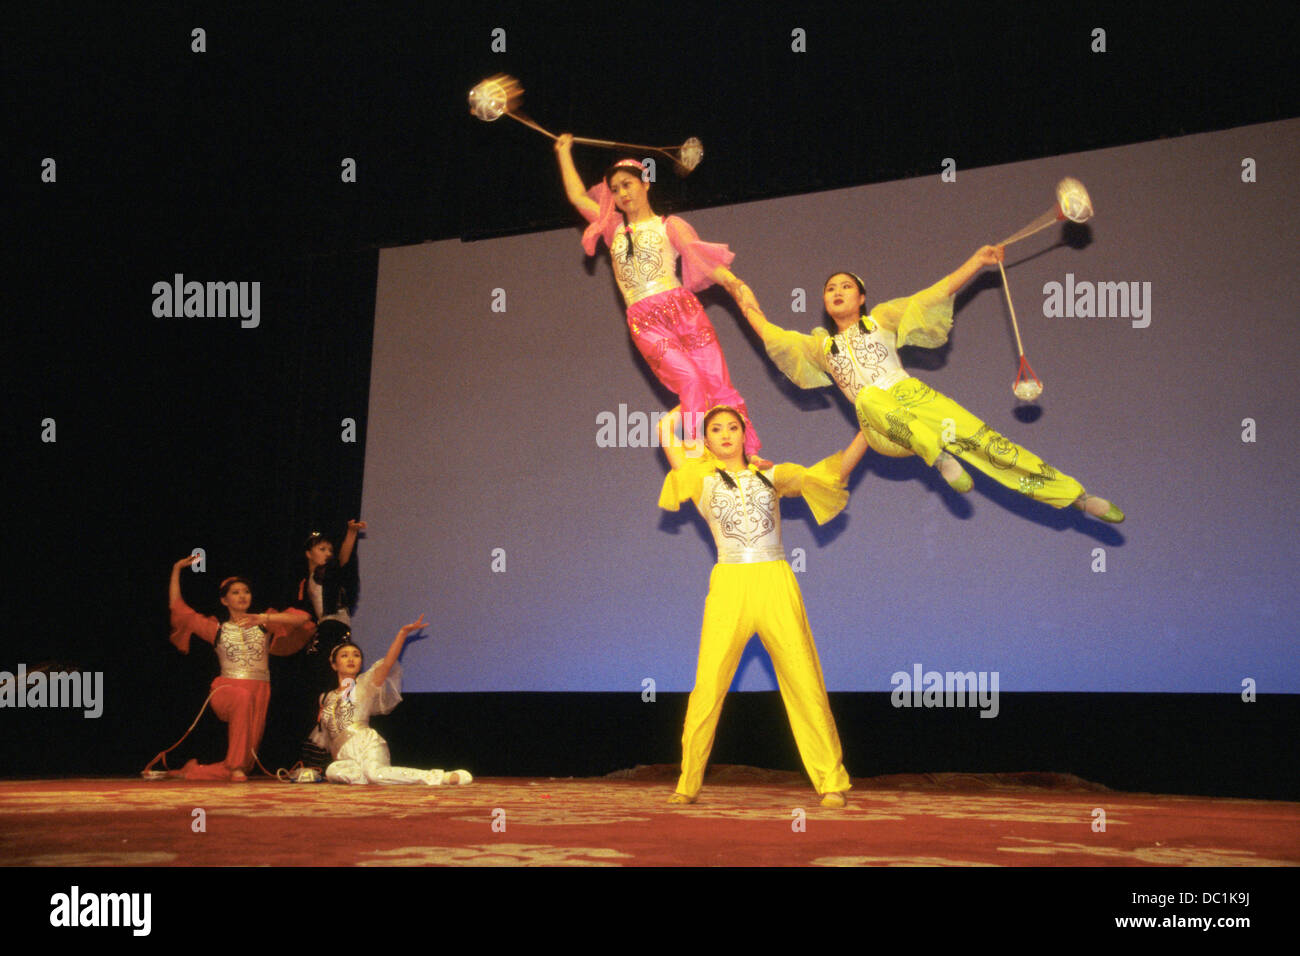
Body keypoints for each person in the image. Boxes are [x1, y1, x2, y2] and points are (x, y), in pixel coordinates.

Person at [742, 249, 1124, 521]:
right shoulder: (820, 347)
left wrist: (976, 262)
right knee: (869, 398)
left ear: (860, 297)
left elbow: (932, 295)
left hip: (915, 398)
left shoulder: (882, 320)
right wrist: (732, 288)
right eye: (830, 289)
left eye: (845, 286)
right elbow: (768, 331)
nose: (837, 292)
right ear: (826, 304)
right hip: (882, 427)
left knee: (987, 441)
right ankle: (938, 457)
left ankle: (1075, 496)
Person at [657, 405, 868, 807]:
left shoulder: (771, 475)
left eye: (732, 427)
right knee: (708, 685)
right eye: (715, 429)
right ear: (705, 439)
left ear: (744, 433)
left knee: (804, 679)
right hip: (729, 584)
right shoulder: (699, 480)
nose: (724, 434)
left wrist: (865, 435)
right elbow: (666, 429)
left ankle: (831, 781)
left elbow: (831, 476)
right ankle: (687, 782)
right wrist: (696, 390)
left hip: (774, 580)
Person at [555, 133, 766, 454]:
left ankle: (748, 453)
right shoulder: (612, 229)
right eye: (614, 189)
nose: (621, 193)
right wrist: (563, 152)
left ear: (645, 184)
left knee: (718, 382)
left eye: (628, 184)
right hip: (645, 321)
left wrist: (733, 283)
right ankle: (697, 454)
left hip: (684, 310)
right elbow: (576, 197)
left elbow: (703, 260)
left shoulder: (669, 225)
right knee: (691, 380)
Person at [165, 555, 315, 781]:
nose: (242, 595)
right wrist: (176, 569)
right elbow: (177, 607)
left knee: (245, 765)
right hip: (226, 689)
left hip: (260, 689)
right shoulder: (216, 629)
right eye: (235, 592)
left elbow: (303, 619)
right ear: (224, 600)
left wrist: (263, 617)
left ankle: (200, 770)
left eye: (245, 591)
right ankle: (234, 766)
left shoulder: (264, 623)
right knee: (242, 698)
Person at [310, 614, 471, 786]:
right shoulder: (326, 697)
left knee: (375, 775)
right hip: (344, 757)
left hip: (367, 745)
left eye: (356, 655)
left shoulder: (365, 685)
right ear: (334, 664)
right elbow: (325, 736)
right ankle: (367, 776)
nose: (351, 659)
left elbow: (387, 664)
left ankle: (441, 777)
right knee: (333, 771)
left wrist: (402, 634)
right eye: (344, 655)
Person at [293, 520, 365, 771]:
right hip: (329, 632)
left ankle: (339, 753)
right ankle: (316, 759)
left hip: (335, 632)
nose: (328, 554)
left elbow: (342, 560)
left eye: (329, 550)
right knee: (330, 693)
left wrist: (351, 534)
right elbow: (343, 560)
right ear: (309, 553)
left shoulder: (321, 576)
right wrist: (351, 534)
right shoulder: (319, 574)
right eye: (322, 549)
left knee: (341, 692)